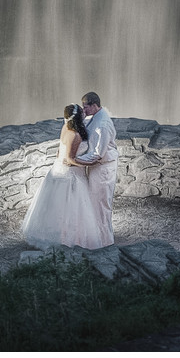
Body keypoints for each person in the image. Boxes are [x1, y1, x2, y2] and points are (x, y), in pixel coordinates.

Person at [21, 103, 106, 249]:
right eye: (82, 112)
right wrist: (90, 164)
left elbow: (59, 153)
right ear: (78, 117)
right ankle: (69, 239)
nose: (85, 113)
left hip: (57, 170)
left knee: (58, 207)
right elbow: (70, 159)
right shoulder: (76, 135)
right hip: (70, 175)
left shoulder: (66, 127)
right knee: (72, 208)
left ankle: (59, 235)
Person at [68, 91, 117, 246]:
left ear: (94, 105)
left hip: (103, 169)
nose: (84, 110)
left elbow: (98, 154)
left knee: (101, 204)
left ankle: (105, 242)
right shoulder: (95, 117)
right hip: (97, 168)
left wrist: (74, 161)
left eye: (86, 107)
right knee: (95, 203)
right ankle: (96, 238)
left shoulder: (102, 125)